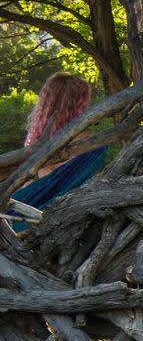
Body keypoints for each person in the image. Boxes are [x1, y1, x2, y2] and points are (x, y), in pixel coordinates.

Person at [5, 73, 106, 227]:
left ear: (46, 102)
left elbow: (28, 187)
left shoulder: (41, 145)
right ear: (79, 103)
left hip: (39, 216)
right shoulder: (93, 144)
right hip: (61, 218)